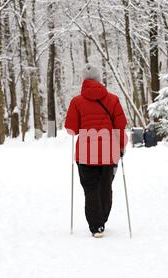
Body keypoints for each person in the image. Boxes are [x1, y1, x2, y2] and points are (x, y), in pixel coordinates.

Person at [65, 63, 128, 238]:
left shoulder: (76, 102)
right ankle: (103, 219)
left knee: (90, 188)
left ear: (83, 81)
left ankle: (96, 225)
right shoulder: (113, 100)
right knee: (105, 187)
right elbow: (120, 127)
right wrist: (121, 147)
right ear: (100, 80)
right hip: (108, 152)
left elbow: (72, 129)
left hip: (85, 153)